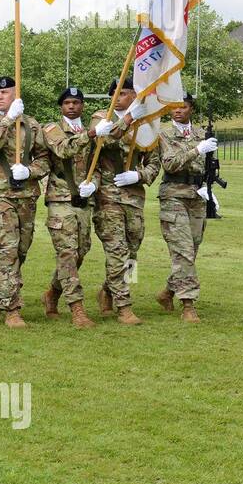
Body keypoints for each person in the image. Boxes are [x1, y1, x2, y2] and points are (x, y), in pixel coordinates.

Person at [0, 75, 50, 328]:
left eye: (6, 92)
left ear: (16, 94)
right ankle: (12, 309)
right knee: (7, 251)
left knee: (20, 252)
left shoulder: (31, 124)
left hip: (27, 195)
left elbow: (44, 159)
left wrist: (30, 171)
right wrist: (7, 120)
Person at [90, 77, 160, 325]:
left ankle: (108, 291)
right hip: (108, 197)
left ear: (135, 95)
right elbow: (105, 139)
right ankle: (124, 306)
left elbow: (154, 161)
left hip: (134, 198)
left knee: (133, 252)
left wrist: (139, 175)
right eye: (116, 94)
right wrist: (128, 119)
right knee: (117, 251)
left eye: (125, 93)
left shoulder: (146, 124)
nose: (119, 98)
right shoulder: (102, 117)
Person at [40, 87, 98, 329]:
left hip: (84, 202)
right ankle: (77, 308)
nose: (72, 106)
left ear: (83, 106)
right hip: (60, 199)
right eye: (67, 103)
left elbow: (100, 166)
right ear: (61, 107)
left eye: (76, 102)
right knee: (66, 253)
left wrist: (94, 184)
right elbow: (64, 149)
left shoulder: (92, 132)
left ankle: (53, 292)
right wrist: (92, 134)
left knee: (80, 252)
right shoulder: (52, 129)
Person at [155, 93, 215, 323]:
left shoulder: (202, 134)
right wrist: (197, 150)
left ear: (191, 109)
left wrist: (210, 190)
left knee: (192, 248)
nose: (178, 111)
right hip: (173, 195)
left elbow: (208, 168)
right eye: (174, 107)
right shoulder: (164, 134)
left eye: (183, 107)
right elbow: (170, 163)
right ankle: (188, 304)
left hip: (197, 196)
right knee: (183, 251)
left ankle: (167, 292)